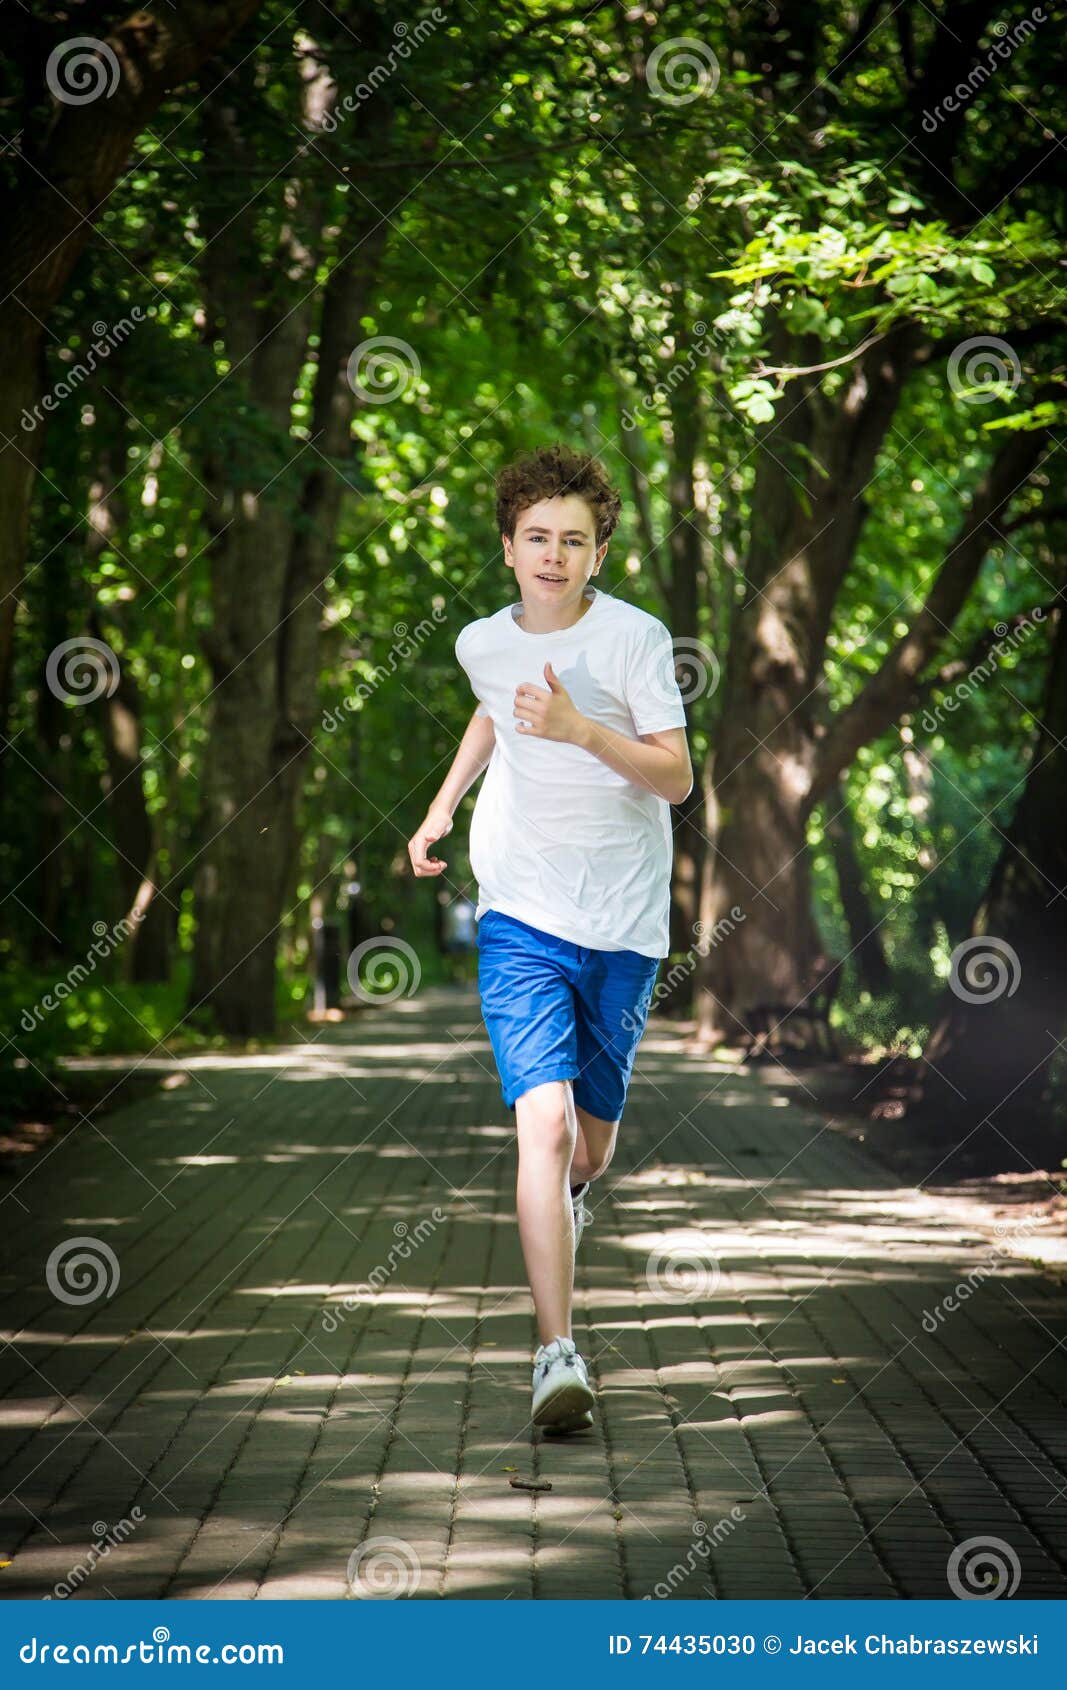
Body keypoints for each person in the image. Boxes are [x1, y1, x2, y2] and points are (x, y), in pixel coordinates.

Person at [407, 443, 692, 1434]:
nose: (553, 554)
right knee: (544, 1123)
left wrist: (579, 731)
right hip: (520, 910)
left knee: (591, 1145)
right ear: (507, 547)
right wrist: (441, 805)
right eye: (537, 537)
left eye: (573, 540)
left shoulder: (634, 641)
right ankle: (554, 1352)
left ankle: (566, 1202)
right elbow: (490, 717)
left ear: (597, 554)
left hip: (621, 922)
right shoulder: (483, 643)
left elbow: (675, 779)